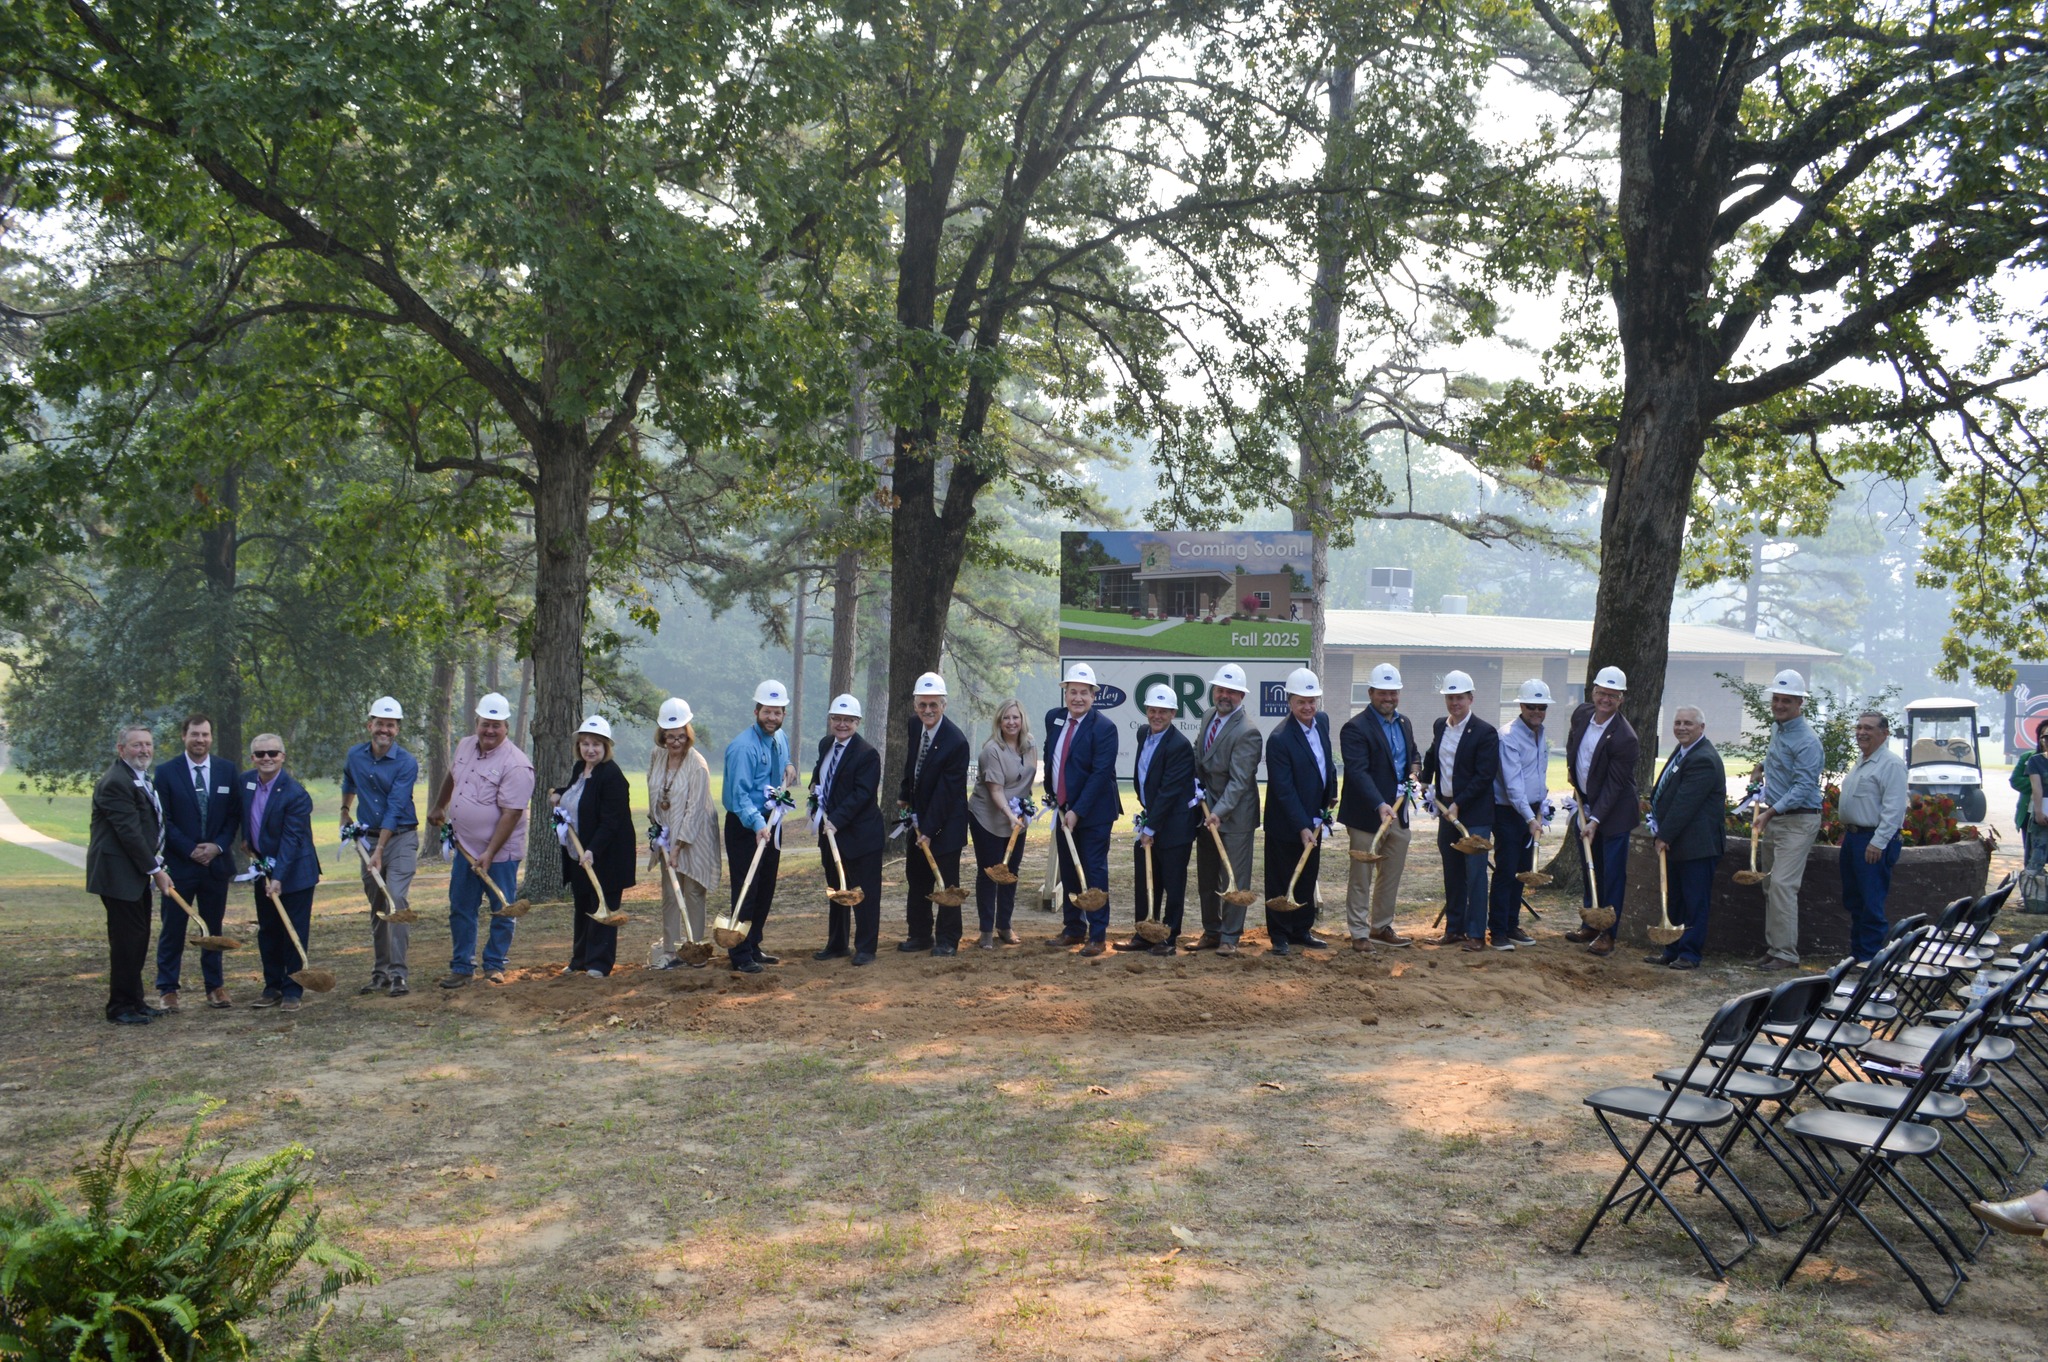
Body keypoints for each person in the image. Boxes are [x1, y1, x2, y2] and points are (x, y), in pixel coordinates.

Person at [426, 692, 534, 988]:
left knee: (502, 908)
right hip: (465, 847)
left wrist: (489, 852)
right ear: (477, 722)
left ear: (506, 727)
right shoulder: (464, 746)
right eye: (485, 723)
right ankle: (462, 966)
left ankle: (495, 964)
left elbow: (511, 815)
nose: (489, 730)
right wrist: (439, 805)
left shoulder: (517, 765)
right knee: (461, 906)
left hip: (500, 853)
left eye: (496, 725)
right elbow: (452, 776)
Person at [87, 723, 173, 1025]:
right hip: (117, 874)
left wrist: (155, 863)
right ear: (121, 749)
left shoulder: (138, 778)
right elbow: (129, 833)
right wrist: (156, 870)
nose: (144, 750)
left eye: (148, 744)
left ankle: (135, 1001)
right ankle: (120, 1007)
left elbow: (149, 827)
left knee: (137, 939)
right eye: (137, 745)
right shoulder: (115, 782)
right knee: (126, 942)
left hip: (133, 874)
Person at [153, 714, 240, 1012]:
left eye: (205, 734)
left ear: (211, 737)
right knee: (173, 927)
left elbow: (233, 816)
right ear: (184, 736)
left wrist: (216, 846)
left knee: (213, 929)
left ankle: (214, 987)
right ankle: (167, 989)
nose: (200, 740)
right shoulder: (165, 773)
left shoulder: (227, 771)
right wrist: (190, 849)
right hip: (181, 865)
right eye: (194, 734)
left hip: (215, 865)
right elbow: (164, 818)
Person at [340, 696, 419, 997]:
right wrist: (344, 810)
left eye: (391, 725)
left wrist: (380, 850)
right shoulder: (355, 756)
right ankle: (380, 972)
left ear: (397, 729)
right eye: (380, 723)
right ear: (369, 724)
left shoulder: (406, 762)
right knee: (377, 907)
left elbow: (396, 807)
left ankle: (399, 974)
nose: (384, 730)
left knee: (395, 899)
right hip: (367, 838)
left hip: (400, 837)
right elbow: (348, 780)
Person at [1339, 663, 1419, 951]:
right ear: (1370, 692)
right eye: (1383, 693)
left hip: (1398, 814)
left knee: (1391, 873)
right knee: (1361, 876)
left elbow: (1414, 755)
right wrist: (1379, 804)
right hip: (1366, 815)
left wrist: (1414, 770)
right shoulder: (1355, 728)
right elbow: (1358, 772)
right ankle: (1359, 932)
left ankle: (1381, 926)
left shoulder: (1404, 723)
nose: (1389, 698)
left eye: (1393, 693)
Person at [1561, 665, 1640, 958]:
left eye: (1612, 695)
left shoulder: (1625, 737)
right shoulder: (1581, 714)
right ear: (1593, 692)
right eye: (1602, 693)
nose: (1605, 699)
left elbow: (1615, 785)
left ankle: (1609, 935)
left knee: (1612, 874)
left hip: (1615, 813)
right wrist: (1572, 772)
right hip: (1586, 804)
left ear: (1621, 699)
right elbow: (1573, 744)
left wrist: (1595, 820)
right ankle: (1591, 925)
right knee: (1590, 869)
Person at [238, 733, 320, 1013]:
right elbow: (240, 813)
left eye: (273, 753)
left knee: (292, 931)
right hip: (263, 870)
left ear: (283, 757)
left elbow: (292, 841)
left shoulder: (295, 793)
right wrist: (246, 838)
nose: (267, 758)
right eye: (260, 754)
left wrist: (279, 878)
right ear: (252, 758)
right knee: (269, 931)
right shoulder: (245, 782)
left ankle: (292, 989)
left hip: (295, 872)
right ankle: (271, 986)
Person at [1044, 662, 1121, 956]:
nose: (1077, 698)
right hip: (1063, 811)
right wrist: (1055, 797)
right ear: (1065, 693)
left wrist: (1078, 811)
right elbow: (1053, 757)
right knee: (1069, 871)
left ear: (1093, 696)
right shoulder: (1055, 718)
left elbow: (1100, 774)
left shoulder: (1104, 728)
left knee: (1093, 871)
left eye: (1084, 693)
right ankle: (1073, 929)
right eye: (1072, 692)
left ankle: (1098, 934)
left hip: (1094, 813)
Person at [722, 679, 797, 975]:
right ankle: (739, 953)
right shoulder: (742, 748)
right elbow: (739, 796)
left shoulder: (780, 738)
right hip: (745, 826)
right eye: (767, 712)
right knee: (747, 887)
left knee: (766, 887)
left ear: (784, 715)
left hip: (771, 821)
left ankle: (753, 944)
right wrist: (756, 825)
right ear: (756, 711)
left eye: (778, 713)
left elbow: (785, 760)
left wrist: (789, 765)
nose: (772, 718)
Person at [1643, 706, 1727, 970]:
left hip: (1697, 847)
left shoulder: (1703, 758)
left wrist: (1663, 835)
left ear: (1701, 727)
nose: (1681, 727)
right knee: (1675, 899)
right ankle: (1672, 949)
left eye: (1688, 723)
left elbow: (1685, 803)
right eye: (1678, 722)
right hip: (1679, 844)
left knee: (1694, 901)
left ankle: (1690, 954)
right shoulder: (1683, 751)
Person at [1422, 670, 1500, 953]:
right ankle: (1455, 928)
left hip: (1474, 813)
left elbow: (1484, 776)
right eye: (1450, 697)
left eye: (1460, 698)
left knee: (1476, 873)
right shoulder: (1441, 726)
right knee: (1452, 871)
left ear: (1471, 698)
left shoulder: (1485, 732)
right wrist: (1422, 780)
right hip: (1447, 810)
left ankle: (1477, 933)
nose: (1455, 703)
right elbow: (1433, 755)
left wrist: (1459, 803)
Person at [1751, 669, 1823, 970]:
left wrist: (1769, 812)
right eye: (1776, 699)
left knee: (1782, 885)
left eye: (1786, 700)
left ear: (1799, 704)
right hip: (1779, 817)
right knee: (1770, 885)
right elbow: (1778, 760)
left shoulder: (1807, 741)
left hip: (1797, 820)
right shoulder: (1779, 729)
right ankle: (1775, 947)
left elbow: (1804, 786)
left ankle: (1787, 955)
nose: (1779, 705)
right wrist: (1760, 766)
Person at [552, 716, 635, 978]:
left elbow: (611, 821)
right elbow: (580, 793)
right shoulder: (581, 768)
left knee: (603, 907)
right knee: (583, 907)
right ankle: (579, 959)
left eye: (596, 744)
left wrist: (593, 851)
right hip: (579, 853)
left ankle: (599, 963)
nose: (590, 749)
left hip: (606, 855)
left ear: (606, 747)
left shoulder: (613, 776)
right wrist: (560, 793)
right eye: (585, 744)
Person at [1119, 683, 1198, 955]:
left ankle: (1168, 937)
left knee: (1173, 884)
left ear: (1173, 713)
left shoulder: (1179, 746)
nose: (1156, 716)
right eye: (1152, 710)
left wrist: (1149, 828)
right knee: (1145, 880)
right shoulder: (1144, 734)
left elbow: (1168, 792)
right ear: (1146, 711)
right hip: (1152, 818)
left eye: (1163, 711)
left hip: (1175, 825)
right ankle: (1144, 934)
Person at [1263, 667, 1337, 955]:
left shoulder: (1323, 722)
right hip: (1286, 823)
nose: (1308, 707)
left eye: (1312, 701)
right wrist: (1301, 825)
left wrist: (1331, 794)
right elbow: (1283, 789)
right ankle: (1280, 934)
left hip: (1315, 818)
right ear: (1290, 702)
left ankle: (1302, 929)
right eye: (1301, 702)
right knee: (1282, 878)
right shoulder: (1279, 738)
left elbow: (1327, 762)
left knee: (1307, 876)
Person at [897, 671, 971, 956]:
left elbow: (947, 793)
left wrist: (929, 829)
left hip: (945, 824)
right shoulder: (915, 725)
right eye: (922, 705)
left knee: (946, 883)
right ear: (915, 705)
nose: (927, 711)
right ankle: (920, 935)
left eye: (933, 705)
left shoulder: (956, 742)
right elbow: (912, 765)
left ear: (944, 705)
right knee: (917, 879)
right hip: (919, 818)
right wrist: (905, 795)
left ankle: (948, 939)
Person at [1193, 663, 1262, 956]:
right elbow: (1200, 757)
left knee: (1234, 878)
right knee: (1207, 876)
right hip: (1206, 813)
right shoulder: (1209, 715)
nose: (1225, 696)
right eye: (1221, 689)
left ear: (1241, 696)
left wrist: (1219, 813)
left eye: (1232, 692)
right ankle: (1212, 931)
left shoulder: (1248, 732)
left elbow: (1238, 782)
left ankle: (1230, 937)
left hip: (1234, 817)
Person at [810, 693, 884, 964]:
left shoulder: (867, 754)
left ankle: (866, 948)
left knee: (864, 894)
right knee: (836, 890)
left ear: (858, 722)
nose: (842, 724)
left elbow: (862, 794)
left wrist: (835, 820)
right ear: (831, 720)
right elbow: (821, 777)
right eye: (837, 719)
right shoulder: (826, 744)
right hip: (830, 836)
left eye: (848, 720)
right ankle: (837, 943)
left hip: (860, 835)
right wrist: (813, 793)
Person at [647, 697, 719, 969]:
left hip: (694, 837)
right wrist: (659, 831)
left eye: (680, 737)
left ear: (688, 734)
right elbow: (653, 789)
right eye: (669, 737)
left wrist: (678, 846)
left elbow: (695, 809)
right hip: (666, 836)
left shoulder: (697, 764)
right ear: (662, 735)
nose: (675, 743)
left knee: (692, 892)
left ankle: (694, 948)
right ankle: (670, 950)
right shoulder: (657, 755)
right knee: (670, 893)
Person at [1836, 710, 1909, 963]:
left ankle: (1869, 960)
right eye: (1859, 727)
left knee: (1871, 903)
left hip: (1873, 841)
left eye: (1868, 728)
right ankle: (1857, 956)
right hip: (1854, 839)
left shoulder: (1891, 764)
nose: (1861, 732)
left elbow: (1894, 808)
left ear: (1884, 733)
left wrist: (1878, 842)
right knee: (1855, 900)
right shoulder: (1863, 761)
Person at [968, 698, 1037, 948]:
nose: (1011, 722)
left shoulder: (1030, 746)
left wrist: (1023, 815)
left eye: (1015, 717)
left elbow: (1026, 784)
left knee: (1010, 873)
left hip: (1017, 818)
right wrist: (1010, 816)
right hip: (988, 817)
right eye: (1006, 718)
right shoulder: (991, 751)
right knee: (989, 873)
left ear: (1022, 720)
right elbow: (996, 791)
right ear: (999, 721)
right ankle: (986, 930)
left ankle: (1004, 925)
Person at [1489, 680, 1551, 951]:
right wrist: (1530, 818)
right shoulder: (1509, 736)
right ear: (1521, 706)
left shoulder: (1541, 734)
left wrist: (1540, 809)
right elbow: (1513, 787)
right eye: (1531, 706)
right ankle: (1498, 930)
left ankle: (1512, 924)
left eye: (1542, 707)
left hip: (1531, 812)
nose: (1536, 711)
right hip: (1509, 814)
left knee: (1523, 872)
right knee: (1506, 871)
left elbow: (1540, 774)